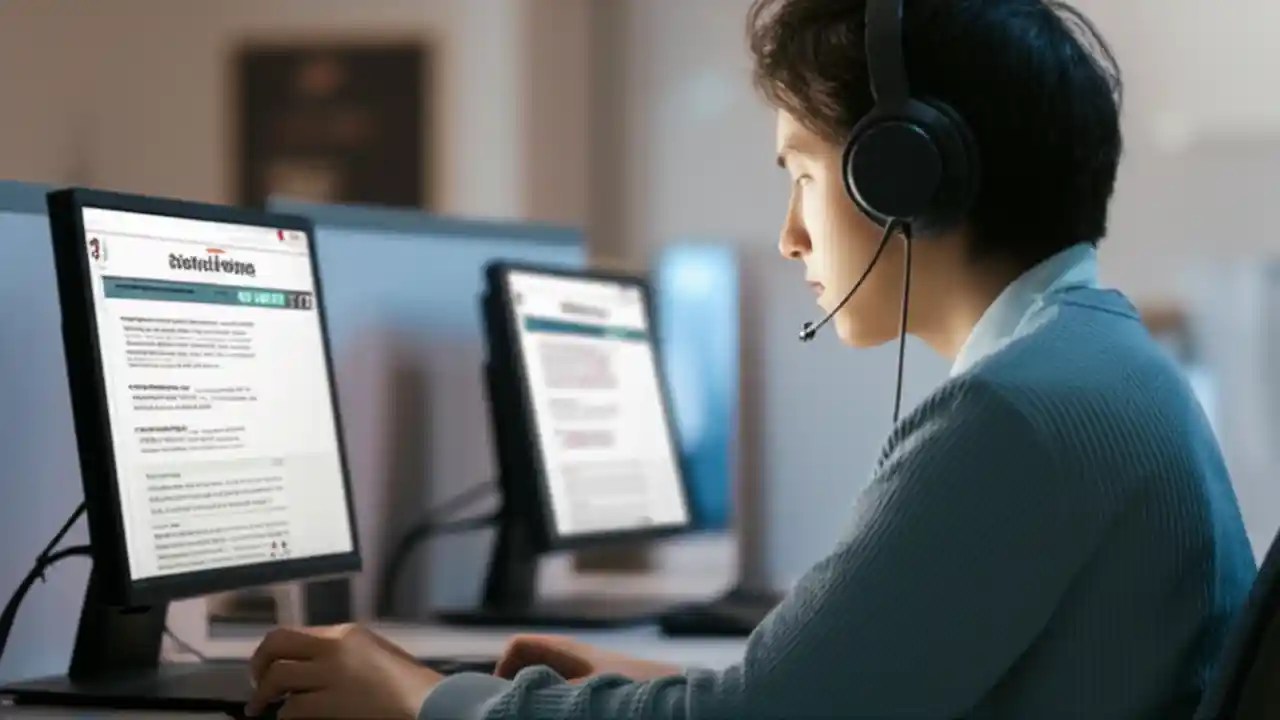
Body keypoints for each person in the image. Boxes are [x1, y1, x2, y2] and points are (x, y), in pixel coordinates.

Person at [244, 1, 1258, 718]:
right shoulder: (1100, 367)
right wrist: (626, 688)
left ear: (900, 174)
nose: (789, 236)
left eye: (803, 173)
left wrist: (424, 699)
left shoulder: (1016, 416)